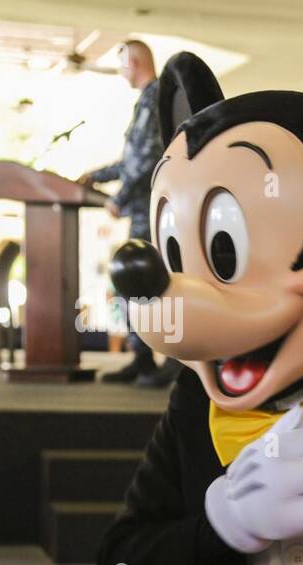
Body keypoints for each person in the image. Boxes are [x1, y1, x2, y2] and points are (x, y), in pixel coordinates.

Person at [80, 39, 176, 387]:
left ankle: (172, 358)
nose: (121, 72)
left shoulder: (154, 96)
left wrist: (119, 198)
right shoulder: (149, 99)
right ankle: (143, 357)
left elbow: (146, 158)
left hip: (152, 209)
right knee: (135, 284)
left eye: (122, 64)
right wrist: (98, 176)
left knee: (153, 283)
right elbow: (132, 159)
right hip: (145, 206)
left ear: (134, 62)